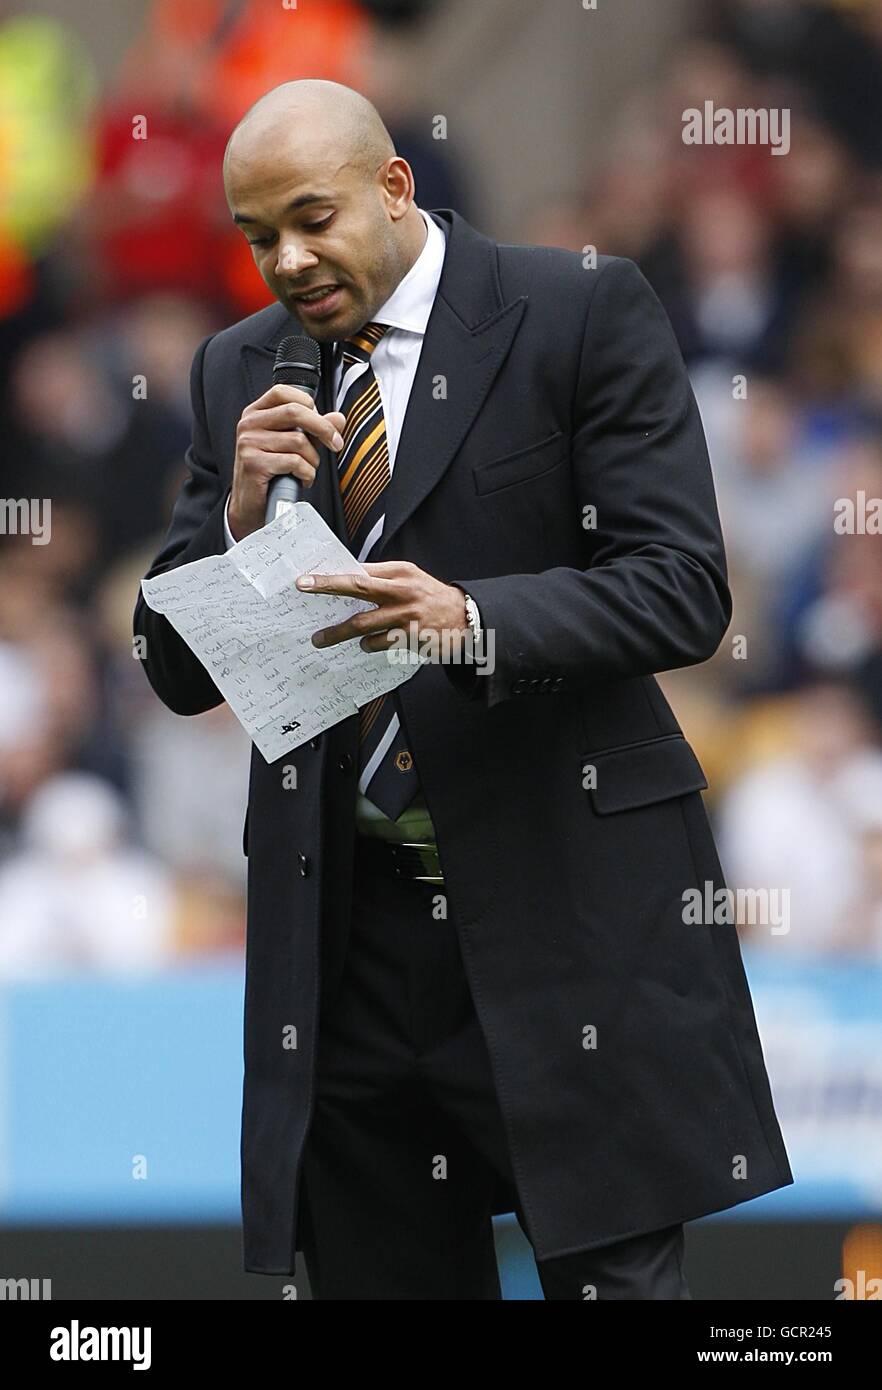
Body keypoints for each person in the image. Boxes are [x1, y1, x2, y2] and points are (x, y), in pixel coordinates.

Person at [134, 79, 793, 1300]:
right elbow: (170, 668)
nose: (287, 259)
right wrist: (231, 532)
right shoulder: (237, 369)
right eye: (256, 235)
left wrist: (476, 620)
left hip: (567, 919)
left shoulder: (579, 306)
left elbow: (683, 587)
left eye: (312, 218)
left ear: (396, 188)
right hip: (348, 951)